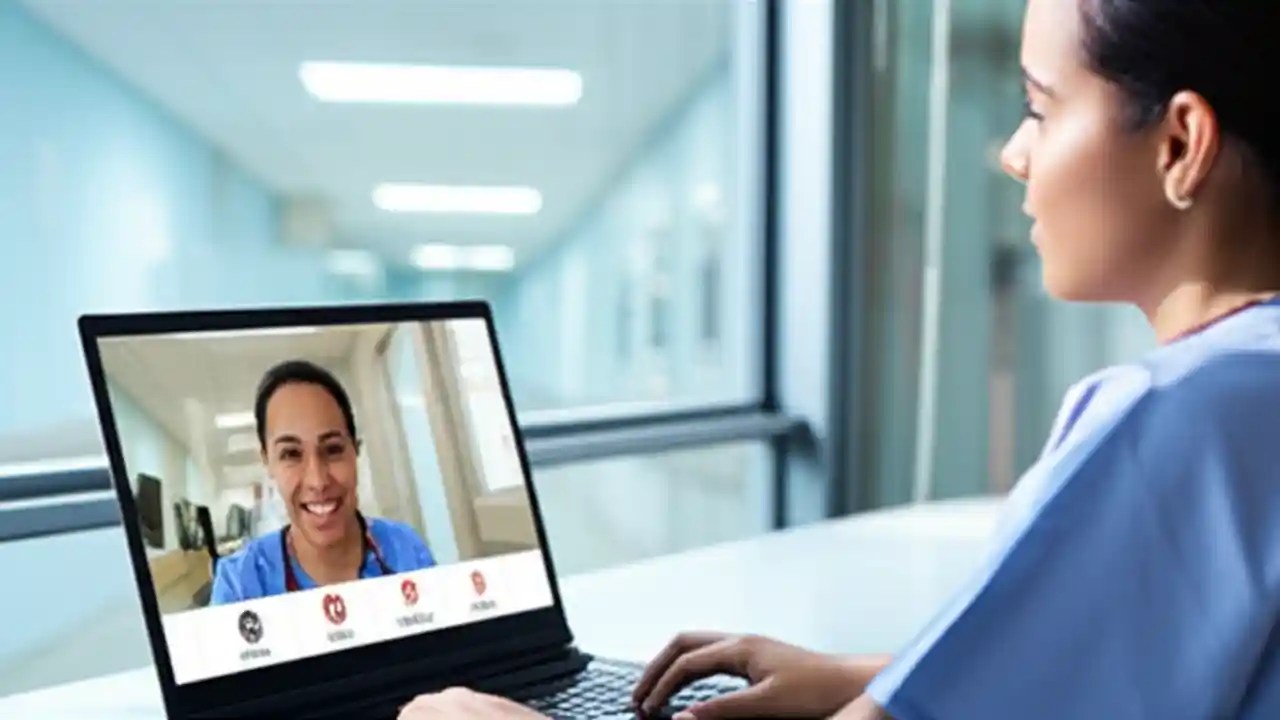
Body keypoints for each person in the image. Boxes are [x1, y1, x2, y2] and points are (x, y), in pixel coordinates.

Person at [397, 0, 1280, 717]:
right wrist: (871, 679)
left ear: (1179, 144)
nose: (1014, 155)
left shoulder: (1173, 415)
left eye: (1040, 109)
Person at [211, 359, 435, 604]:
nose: (317, 481)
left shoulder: (406, 552)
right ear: (268, 462)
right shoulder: (240, 584)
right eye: (291, 454)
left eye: (333, 449)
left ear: (355, 450)